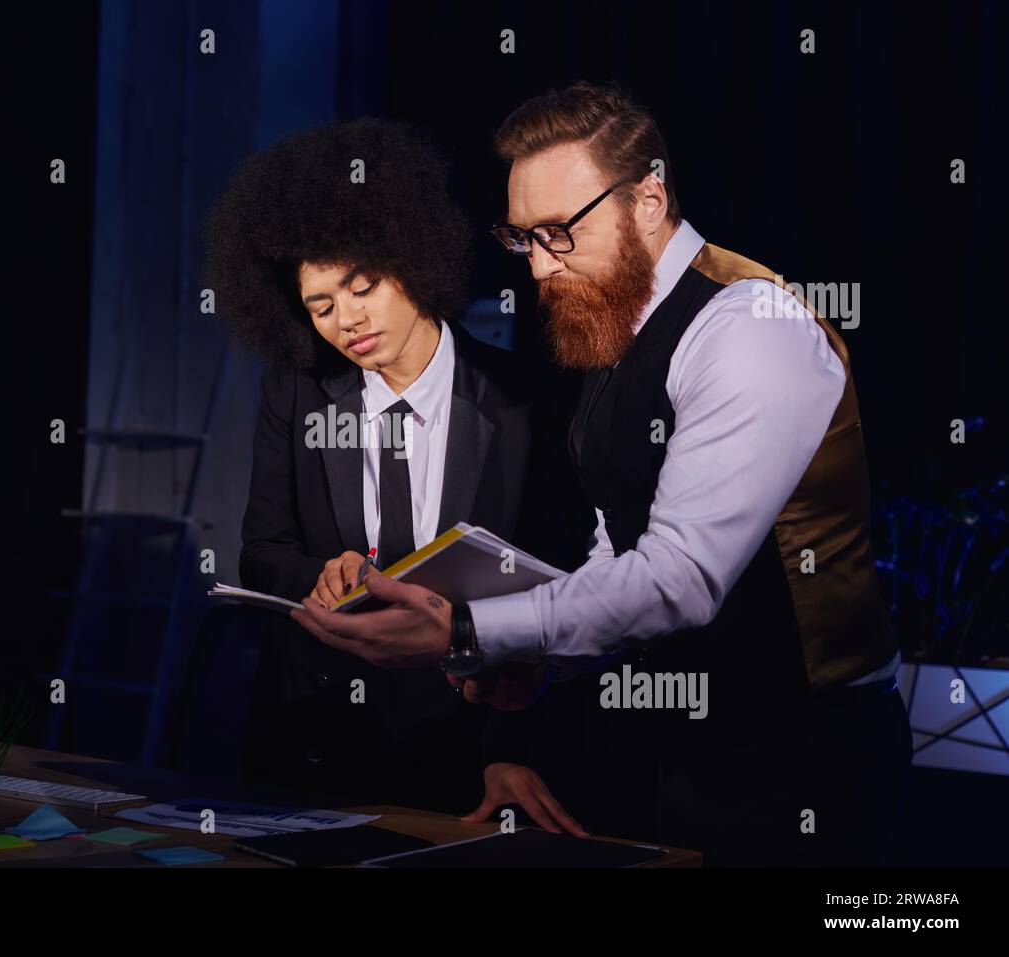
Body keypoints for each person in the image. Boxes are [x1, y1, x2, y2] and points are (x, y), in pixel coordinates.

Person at [293, 83, 911, 866]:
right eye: (522, 239)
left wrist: (462, 628)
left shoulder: (753, 328)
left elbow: (681, 577)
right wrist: (539, 660)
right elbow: (617, 548)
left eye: (559, 234)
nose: (541, 269)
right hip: (674, 746)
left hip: (805, 759)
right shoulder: (618, 320)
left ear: (649, 198)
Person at [208, 117, 583, 821]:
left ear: (411, 258)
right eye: (320, 306)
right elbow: (260, 553)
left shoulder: (522, 401)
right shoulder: (296, 389)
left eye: (362, 286)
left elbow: (553, 591)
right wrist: (319, 572)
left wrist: (509, 745)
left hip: (467, 751)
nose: (345, 319)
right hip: (318, 745)